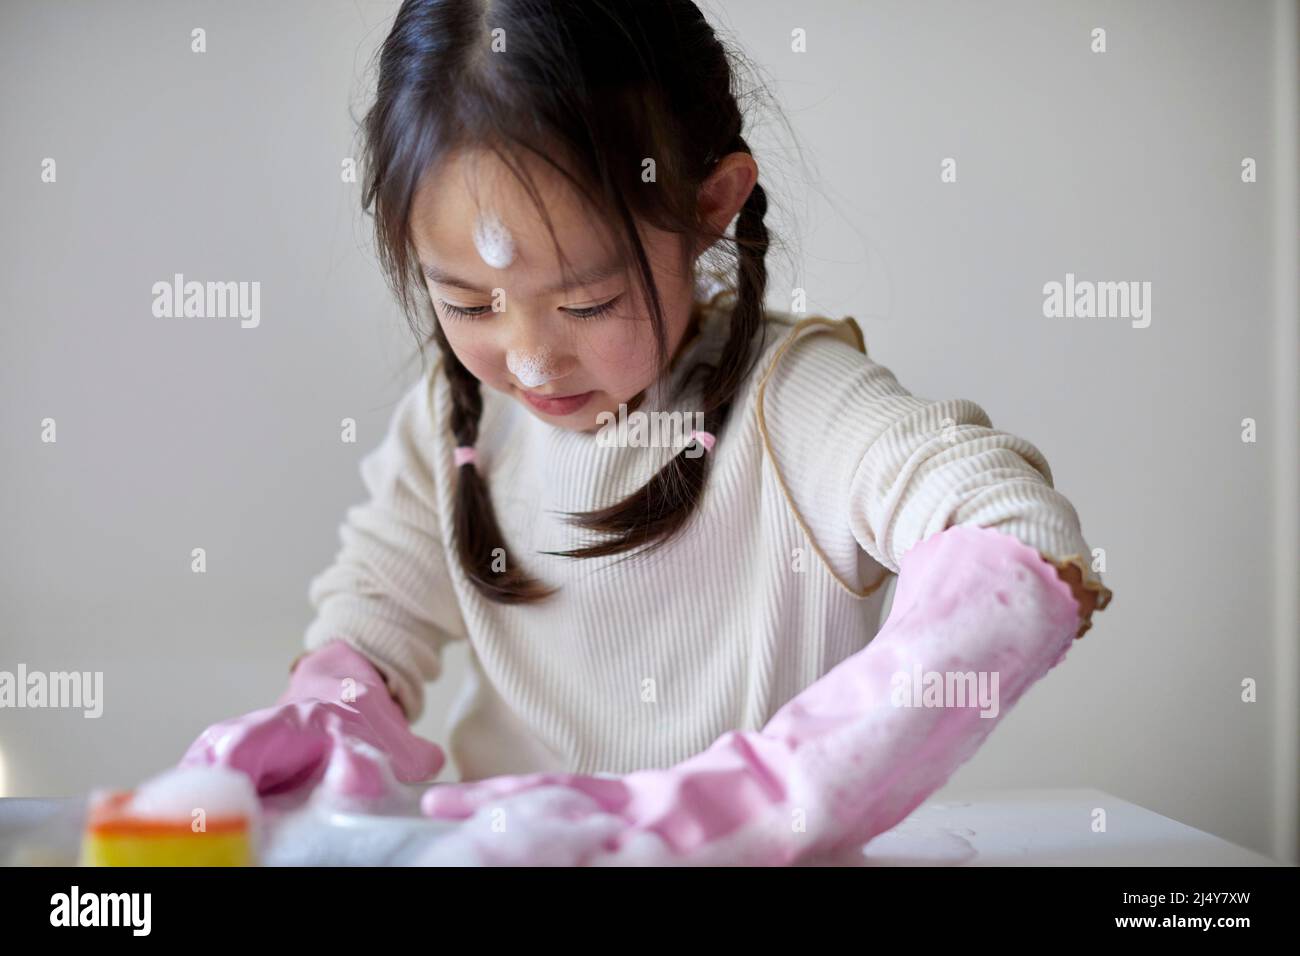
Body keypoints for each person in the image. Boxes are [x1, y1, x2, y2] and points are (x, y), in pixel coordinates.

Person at [181, 0, 1112, 830]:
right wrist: (329, 712)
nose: (534, 360)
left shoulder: (793, 407)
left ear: (710, 206)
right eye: (467, 304)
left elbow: (1020, 537)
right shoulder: (457, 420)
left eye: (587, 302)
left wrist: (762, 796)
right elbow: (374, 624)